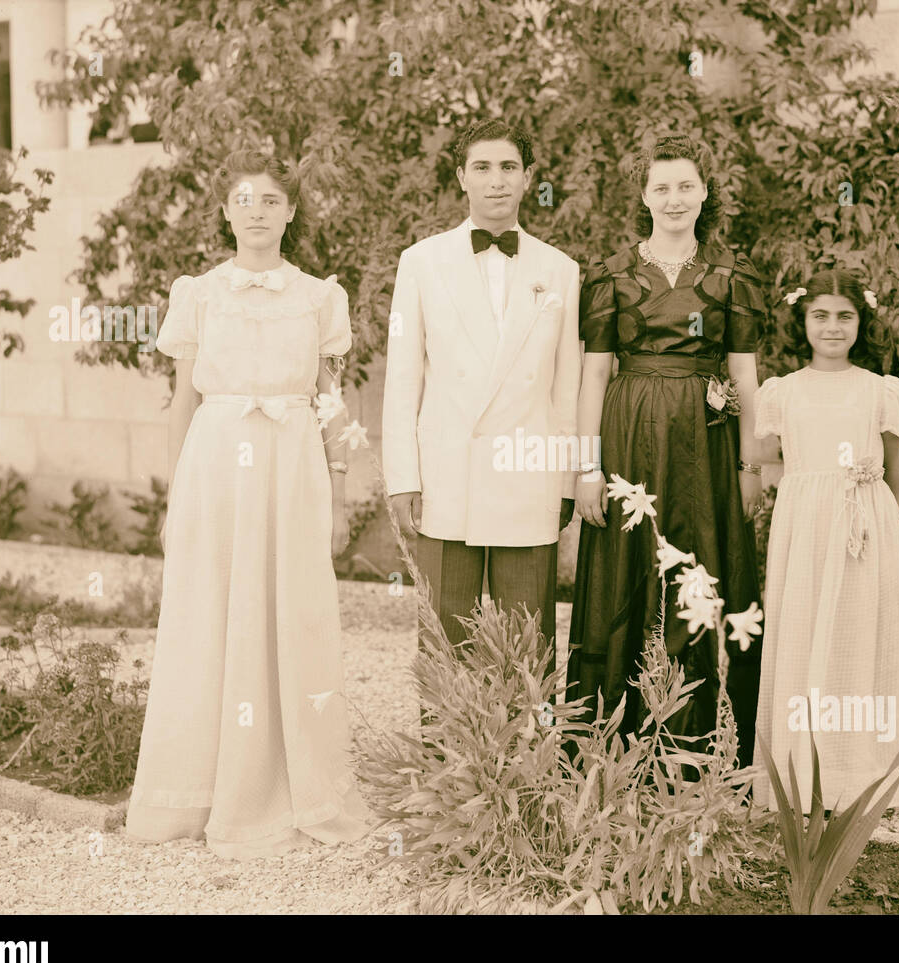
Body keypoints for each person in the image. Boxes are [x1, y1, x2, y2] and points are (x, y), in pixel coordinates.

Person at [125, 150, 370, 858]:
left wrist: (341, 485)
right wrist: (177, 498)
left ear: (291, 211)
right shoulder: (198, 294)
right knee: (210, 614)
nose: (257, 210)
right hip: (216, 463)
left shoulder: (320, 297)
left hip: (292, 463)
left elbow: (331, 398)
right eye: (244, 199)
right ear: (226, 212)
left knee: (291, 614)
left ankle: (294, 787)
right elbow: (183, 400)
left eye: (271, 199)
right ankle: (196, 792)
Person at [567, 134, 765, 767]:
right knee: (624, 574)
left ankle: (699, 747)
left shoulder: (734, 274)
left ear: (705, 193)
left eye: (686, 186)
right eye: (661, 187)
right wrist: (588, 469)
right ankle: (611, 746)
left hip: (705, 444)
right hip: (627, 434)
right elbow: (593, 375)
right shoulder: (613, 276)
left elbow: (745, 376)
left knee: (702, 566)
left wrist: (753, 463)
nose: (674, 198)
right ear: (644, 196)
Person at [382, 119, 581, 653]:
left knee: (526, 649)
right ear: (461, 177)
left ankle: (526, 740)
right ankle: (444, 742)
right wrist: (403, 476)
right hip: (448, 474)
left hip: (529, 474)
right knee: (445, 646)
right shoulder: (420, 263)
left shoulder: (561, 270)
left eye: (509, 168)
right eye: (483, 168)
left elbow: (569, 389)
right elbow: (402, 379)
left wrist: (566, 480)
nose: (497, 180)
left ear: (528, 177)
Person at [752, 269, 899, 812]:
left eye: (845, 316)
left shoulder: (880, 389)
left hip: (864, 523)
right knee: (805, 631)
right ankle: (804, 766)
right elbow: (771, 464)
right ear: (802, 321)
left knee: (863, 635)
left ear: (862, 322)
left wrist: (873, 522)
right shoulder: (782, 392)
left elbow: (895, 472)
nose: (832, 327)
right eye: (820, 316)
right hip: (805, 527)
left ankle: (862, 767)